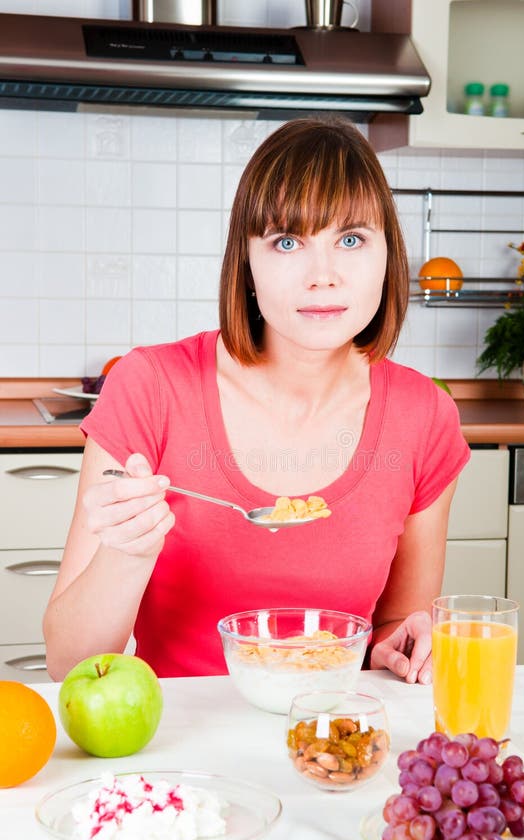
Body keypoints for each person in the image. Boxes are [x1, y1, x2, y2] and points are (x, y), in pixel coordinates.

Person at [43, 117, 470, 685]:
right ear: (246, 263)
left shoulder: (425, 416)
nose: (323, 275)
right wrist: (127, 552)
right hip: (178, 747)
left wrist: (403, 646)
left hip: (335, 743)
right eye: (288, 241)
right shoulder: (151, 387)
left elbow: (395, 623)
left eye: (351, 240)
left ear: (387, 256)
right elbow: (68, 664)